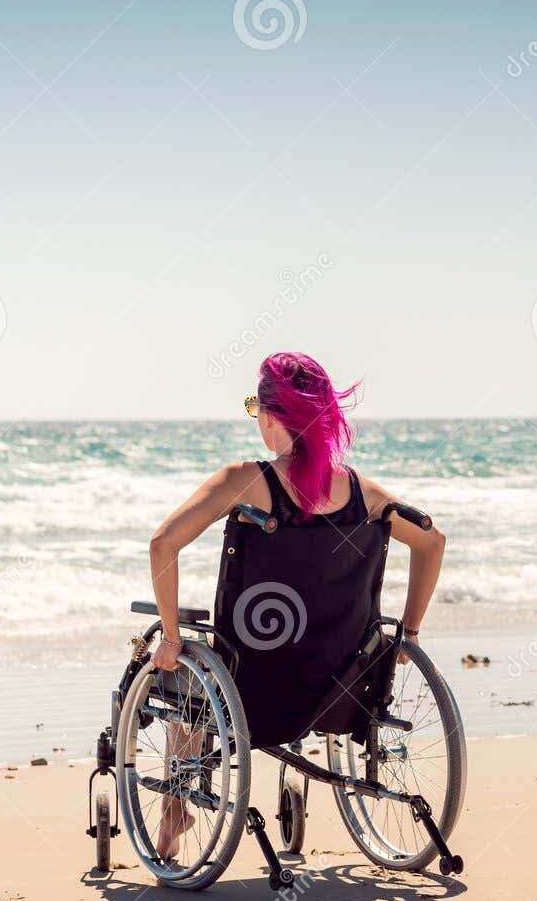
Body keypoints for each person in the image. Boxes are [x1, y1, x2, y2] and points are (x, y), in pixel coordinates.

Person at [143, 351, 446, 858]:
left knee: (187, 666)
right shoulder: (363, 493)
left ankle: (175, 809)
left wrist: (172, 639)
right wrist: (409, 633)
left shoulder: (244, 481)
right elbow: (433, 542)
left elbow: (162, 544)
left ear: (269, 415)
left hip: (251, 685)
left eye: (254, 408)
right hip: (342, 685)